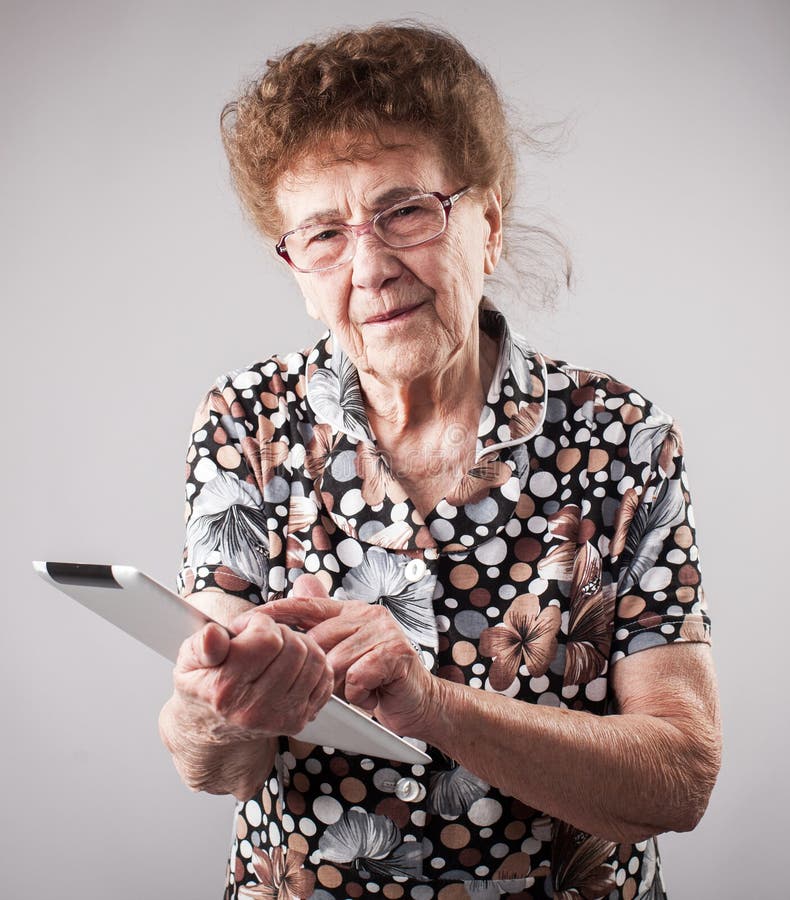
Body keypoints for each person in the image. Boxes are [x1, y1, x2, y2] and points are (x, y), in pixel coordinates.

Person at [158, 23, 721, 900]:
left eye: (406, 211)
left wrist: (434, 706)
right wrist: (220, 704)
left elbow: (681, 777)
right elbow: (215, 766)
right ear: (299, 272)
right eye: (324, 235)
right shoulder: (247, 421)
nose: (371, 265)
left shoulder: (622, 435)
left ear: (486, 225)